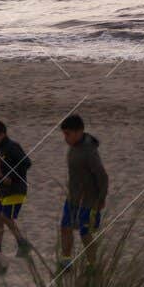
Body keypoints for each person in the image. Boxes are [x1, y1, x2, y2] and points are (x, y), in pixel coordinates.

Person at [58, 113, 109, 268]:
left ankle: (93, 265)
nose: (65, 138)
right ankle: (66, 261)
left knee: (85, 233)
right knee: (65, 228)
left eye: (68, 134)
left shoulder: (89, 151)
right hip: (73, 198)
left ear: (79, 132)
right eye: (64, 134)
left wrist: (101, 199)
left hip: (88, 201)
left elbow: (102, 176)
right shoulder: (73, 147)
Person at [0, 120, 33, 257]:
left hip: (16, 189)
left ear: (2, 134)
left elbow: (26, 163)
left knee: (5, 217)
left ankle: (22, 243)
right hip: (5, 191)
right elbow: (3, 173)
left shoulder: (12, 147)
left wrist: (11, 177)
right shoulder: (0, 149)